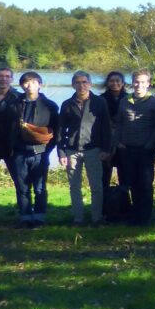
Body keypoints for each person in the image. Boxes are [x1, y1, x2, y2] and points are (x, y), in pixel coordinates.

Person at [113, 69, 155, 227]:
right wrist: (118, 142)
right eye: (136, 82)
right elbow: (119, 123)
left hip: (146, 149)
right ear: (132, 83)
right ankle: (134, 214)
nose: (139, 85)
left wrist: (150, 144)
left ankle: (145, 217)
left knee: (145, 184)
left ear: (148, 84)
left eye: (143, 82)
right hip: (127, 148)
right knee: (131, 183)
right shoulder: (124, 101)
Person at [57, 71, 111, 226]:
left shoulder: (99, 102)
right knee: (74, 186)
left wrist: (105, 149)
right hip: (72, 150)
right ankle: (78, 218)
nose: (81, 85)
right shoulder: (67, 104)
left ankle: (97, 218)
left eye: (84, 82)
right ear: (73, 85)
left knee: (96, 186)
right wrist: (61, 152)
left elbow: (106, 127)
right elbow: (61, 130)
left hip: (93, 149)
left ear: (90, 84)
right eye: (78, 82)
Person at [10, 72, 59, 227]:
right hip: (19, 152)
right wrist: (12, 147)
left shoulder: (50, 106)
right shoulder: (14, 105)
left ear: (39, 84)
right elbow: (8, 129)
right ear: (21, 85)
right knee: (22, 187)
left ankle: (39, 217)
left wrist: (47, 149)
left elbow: (56, 131)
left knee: (39, 187)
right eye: (25, 82)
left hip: (40, 152)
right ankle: (25, 216)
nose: (29, 85)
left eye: (33, 82)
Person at [100, 71, 128, 220]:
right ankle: (104, 209)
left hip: (124, 143)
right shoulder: (101, 99)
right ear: (107, 83)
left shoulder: (129, 98)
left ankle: (124, 208)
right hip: (106, 142)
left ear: (123, 83)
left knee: (125, 178)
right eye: (111, 81)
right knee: (104, 178)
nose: (115, 83)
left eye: (118, 81)